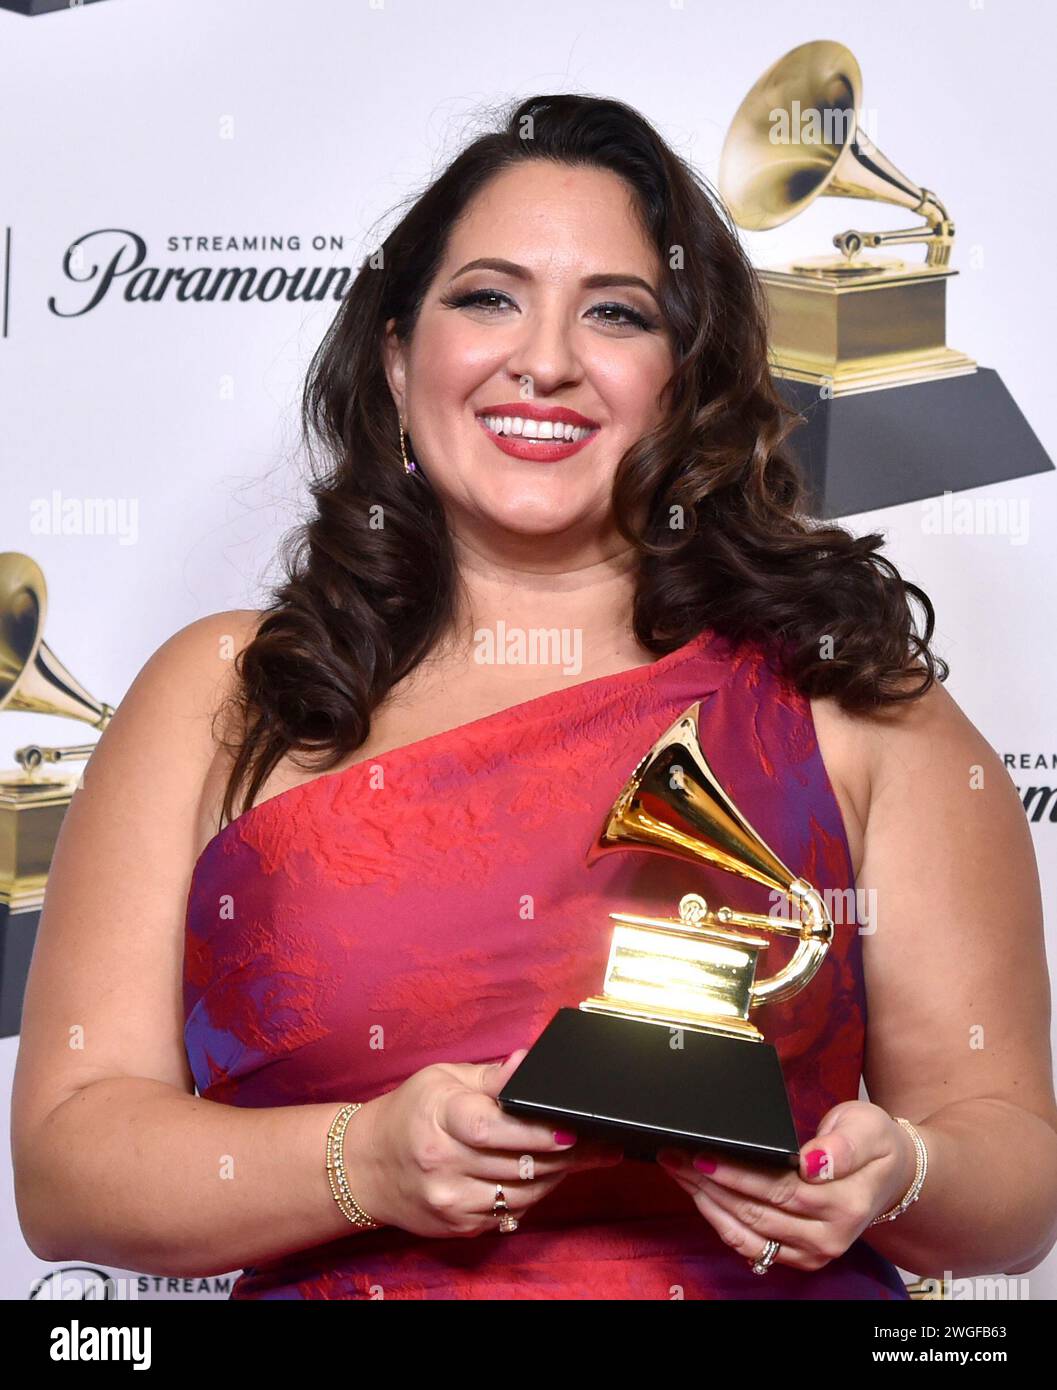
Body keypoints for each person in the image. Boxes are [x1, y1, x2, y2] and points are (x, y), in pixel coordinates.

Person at [12, 93, 1057, 1301]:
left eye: (617, 312)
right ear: (399, 356)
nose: (546, 359)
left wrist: (900, 1171)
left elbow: (1014, 1175)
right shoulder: (228, 690)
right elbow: (66, 1162)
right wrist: (361, 1162)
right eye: (488, 297)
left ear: (686, 376)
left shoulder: (846, 696)